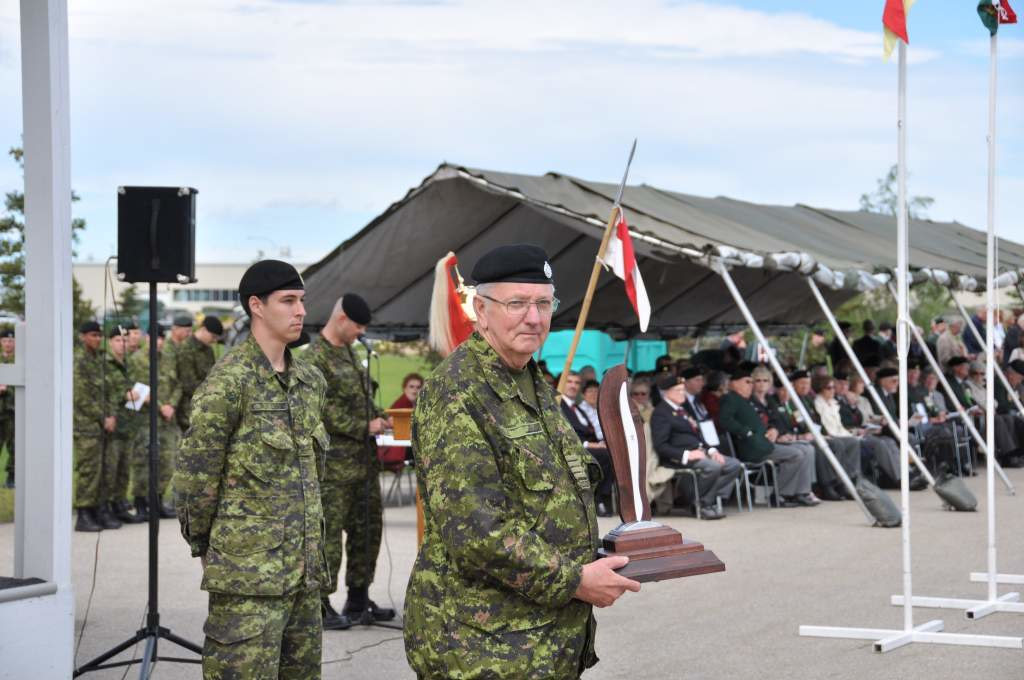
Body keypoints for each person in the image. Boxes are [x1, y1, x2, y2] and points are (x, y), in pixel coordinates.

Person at [405, 244, 640, 679]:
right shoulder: (457, 392)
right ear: (481, 308)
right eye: (517, 303)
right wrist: (575, 580)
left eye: (543, 303)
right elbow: (476, 531)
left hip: (543, 639)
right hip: (485, 646)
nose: (534, 318)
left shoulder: (531, 381)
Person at [173, 260, 331, 678]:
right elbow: (195, 475)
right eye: (288, 301)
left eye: (302, 301)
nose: (300, 311)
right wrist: (208, 548)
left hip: (304, 575)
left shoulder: (310, 381)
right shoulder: (229, 382)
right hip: (246, 580)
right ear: (256, 306)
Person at [305, 293, 395, 630]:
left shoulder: (351, 355)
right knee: (327, 537)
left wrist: (381, 417)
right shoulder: (315, 359)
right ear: (341, 319)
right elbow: (317, 409)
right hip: (333, 467)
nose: (361, 332)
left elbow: (360, 400)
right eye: (358, 326)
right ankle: (319, 604)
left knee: (367, 531)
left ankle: (359, 598)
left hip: (364, 464)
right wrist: (362, 426)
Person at [717, 367, 818, 507]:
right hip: (753, 447)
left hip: (763, 443)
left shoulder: (746, 400)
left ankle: (799, 492)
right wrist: (746, 432)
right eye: (747, 382)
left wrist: (773, 429)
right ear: (734, 383)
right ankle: (780, 495)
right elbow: (724, 420)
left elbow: (769, 419)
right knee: (796, 454)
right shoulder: (731, 398)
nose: (751, 385)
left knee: (805, 449)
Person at [650, 373, 741, 519]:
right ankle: (704, 504)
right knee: (712, 466)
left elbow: (697, 436)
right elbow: (661, 446)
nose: (682, 393)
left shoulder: (681, 410)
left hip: (699, 452)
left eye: (683, 389)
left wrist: (711, 450)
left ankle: (704, 500)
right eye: (678, 390)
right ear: (667, 393)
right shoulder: (661, 413)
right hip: (678, 458)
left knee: (733, 464)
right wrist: (687, 454)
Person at [126, 323, 180, 520]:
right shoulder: (137, 360)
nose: (157, 342)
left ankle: (157, 503)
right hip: (144, 420)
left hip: (166, 421)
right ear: (146, 338)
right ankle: (141, 505)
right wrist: (160, 406)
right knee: (142, 462)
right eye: (153, 337)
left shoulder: (168, 358)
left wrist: (172, 405)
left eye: (160, 338)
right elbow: (138, 388)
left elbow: (177, 384)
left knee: (166, 462)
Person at [74, 321, 116, 532]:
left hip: (102, 424)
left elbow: (108, 391)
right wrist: (103, 417)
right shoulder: (79, 360)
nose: (97, 339)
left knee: (103, 470)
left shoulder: (99, 359)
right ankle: (83, 514)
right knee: (89, 470)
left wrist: (111, 415)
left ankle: (98, 510)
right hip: (86, 425)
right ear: (82, 336)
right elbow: (81, 397)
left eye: (99, 336)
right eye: (93, 335)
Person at [104, 326, 145, 525]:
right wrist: (124, 395)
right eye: (118, 340)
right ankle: (107, 506)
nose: (122, 344)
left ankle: (120, 503)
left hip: (128, 423)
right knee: (110, 470)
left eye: (125, 340)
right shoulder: (106, 363)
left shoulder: (128, 364)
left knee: (123, 468)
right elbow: (104, 391)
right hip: (113, 424)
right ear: (110, 342)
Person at [559, 371, 613, 516]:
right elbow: (565, 433)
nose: (573, 386)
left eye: (577, 383)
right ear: (562, 384)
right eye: (569, 382)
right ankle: (599, 498)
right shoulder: (557, 405)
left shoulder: (577, 408)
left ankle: (604, 497)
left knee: (616, 453)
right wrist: (591, 445)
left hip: (590, 446)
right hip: (571, 449)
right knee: (607, 456)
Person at [175, 314, 223, 432]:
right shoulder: (186, 348)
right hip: (189, 409)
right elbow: (188, 383)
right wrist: (210, 391)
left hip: (206, 404)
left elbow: (212, 375)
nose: (214, 340)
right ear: (203, 330)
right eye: (213, 336)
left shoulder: (208, 350)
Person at [378, 372, 423, 469]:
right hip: (397, 449)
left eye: (418, 387)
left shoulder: (418, 405)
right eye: (411, 387)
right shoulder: (401, 405)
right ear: (404, 388)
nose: (415, 390)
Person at [0, 328, 15, 487]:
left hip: (12, 412)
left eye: (11, 340)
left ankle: (12, 477)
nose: (8, 344)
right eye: (5, 340)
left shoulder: (19, 360)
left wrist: (7, 388)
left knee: (15, 445)